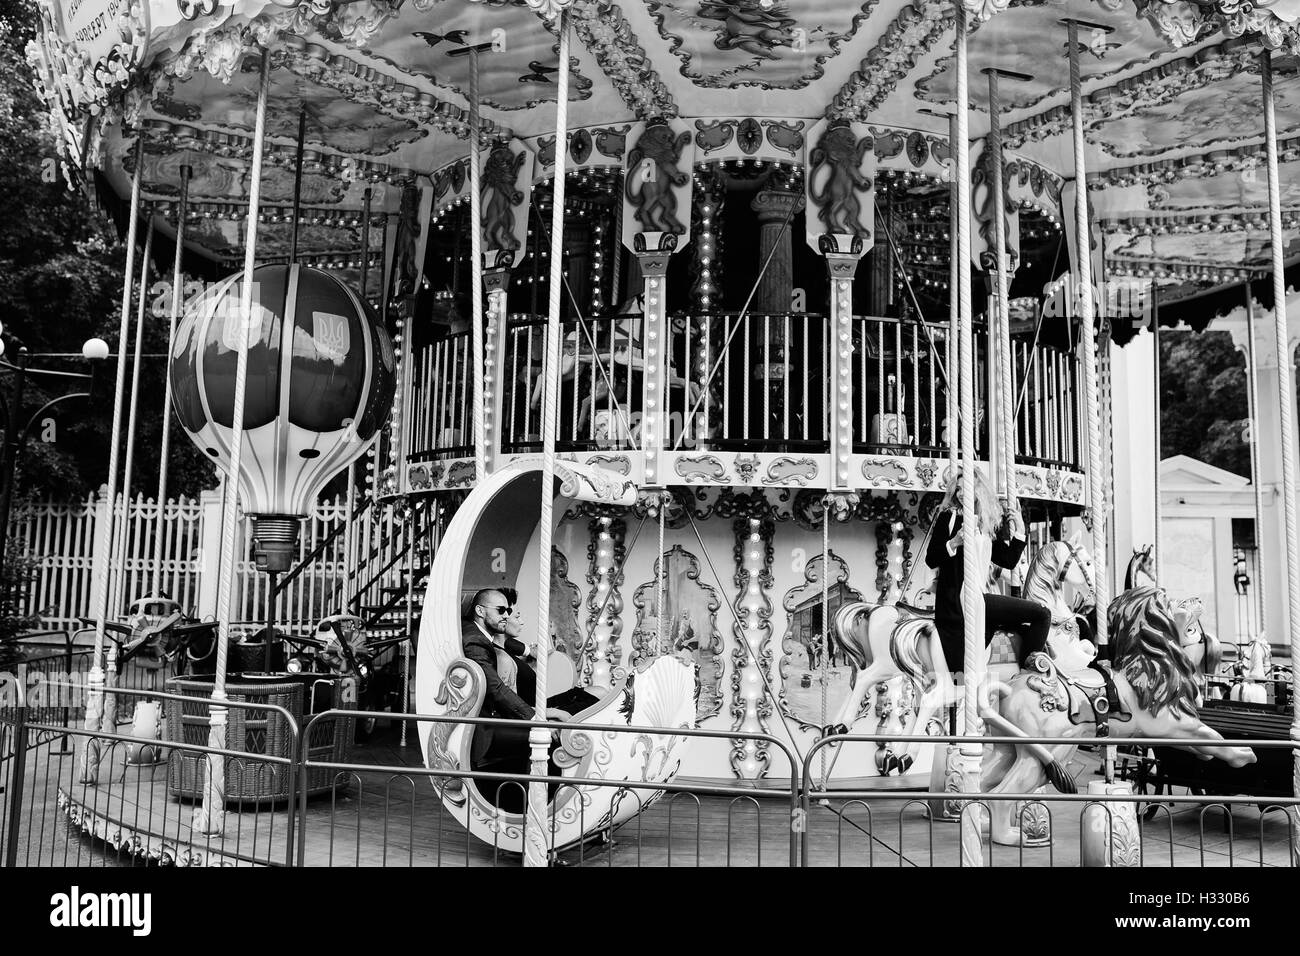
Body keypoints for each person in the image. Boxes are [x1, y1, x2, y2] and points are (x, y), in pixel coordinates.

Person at [924, 470, 1050, 672]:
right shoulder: (948, 517)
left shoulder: (986, 523)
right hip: (960, 599)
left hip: (979, 596)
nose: (960, 493)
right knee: (1042, 614)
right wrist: (954, 543)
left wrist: (1020, 530)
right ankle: (1030, 672)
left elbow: (1008, 560)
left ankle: (1020, 670)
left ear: (979, 490)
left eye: (966, 488)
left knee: (1027, 624)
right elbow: (931, 559)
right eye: (957, 489)